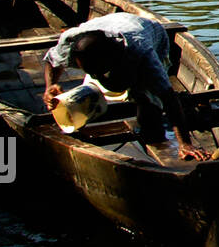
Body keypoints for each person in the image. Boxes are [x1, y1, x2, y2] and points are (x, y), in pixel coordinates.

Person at [42, 13, 207, 161]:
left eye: (99, 72)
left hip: (151, 33)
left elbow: (169, 97)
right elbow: (51, 61)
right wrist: (50, 86)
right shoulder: (70, 44)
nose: (97, 76)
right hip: (108, 24)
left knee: (148, 100)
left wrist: (185, 144)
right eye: (91, 72)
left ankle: (152, 134)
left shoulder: (142, 54)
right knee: (85, 97)